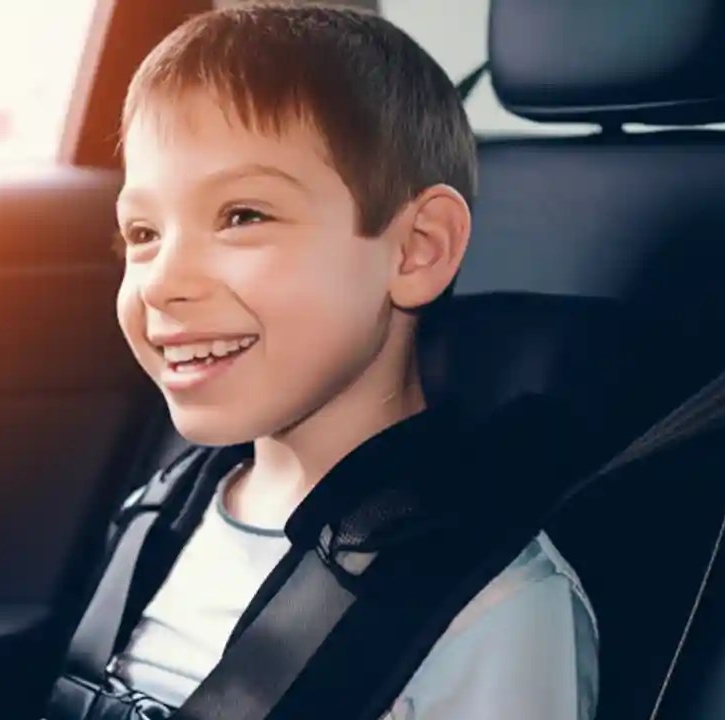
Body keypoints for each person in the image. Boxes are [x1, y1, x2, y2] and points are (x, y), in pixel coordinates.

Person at [81, 3, 597, 719]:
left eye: (242, 216)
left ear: (416, 250)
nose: (162, 281)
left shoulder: (487, 603)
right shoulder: (165, 511)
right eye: (142, 231)